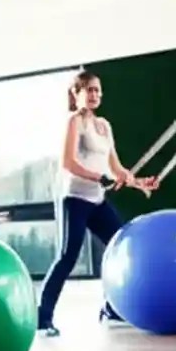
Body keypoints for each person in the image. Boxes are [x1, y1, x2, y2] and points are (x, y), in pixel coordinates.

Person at [36, 70, 158, 337]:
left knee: (120, 248)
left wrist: (138, 183)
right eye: (88, 90)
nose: (94, 95)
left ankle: (111, 307)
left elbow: (116, 168)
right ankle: (42, 318)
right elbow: (68, 163)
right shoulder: (74, 122)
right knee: (68, 257)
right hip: (76, 199)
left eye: (97, 90)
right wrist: (99, 177)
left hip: (97, 200)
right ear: (76, 93)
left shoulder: (104, 125)